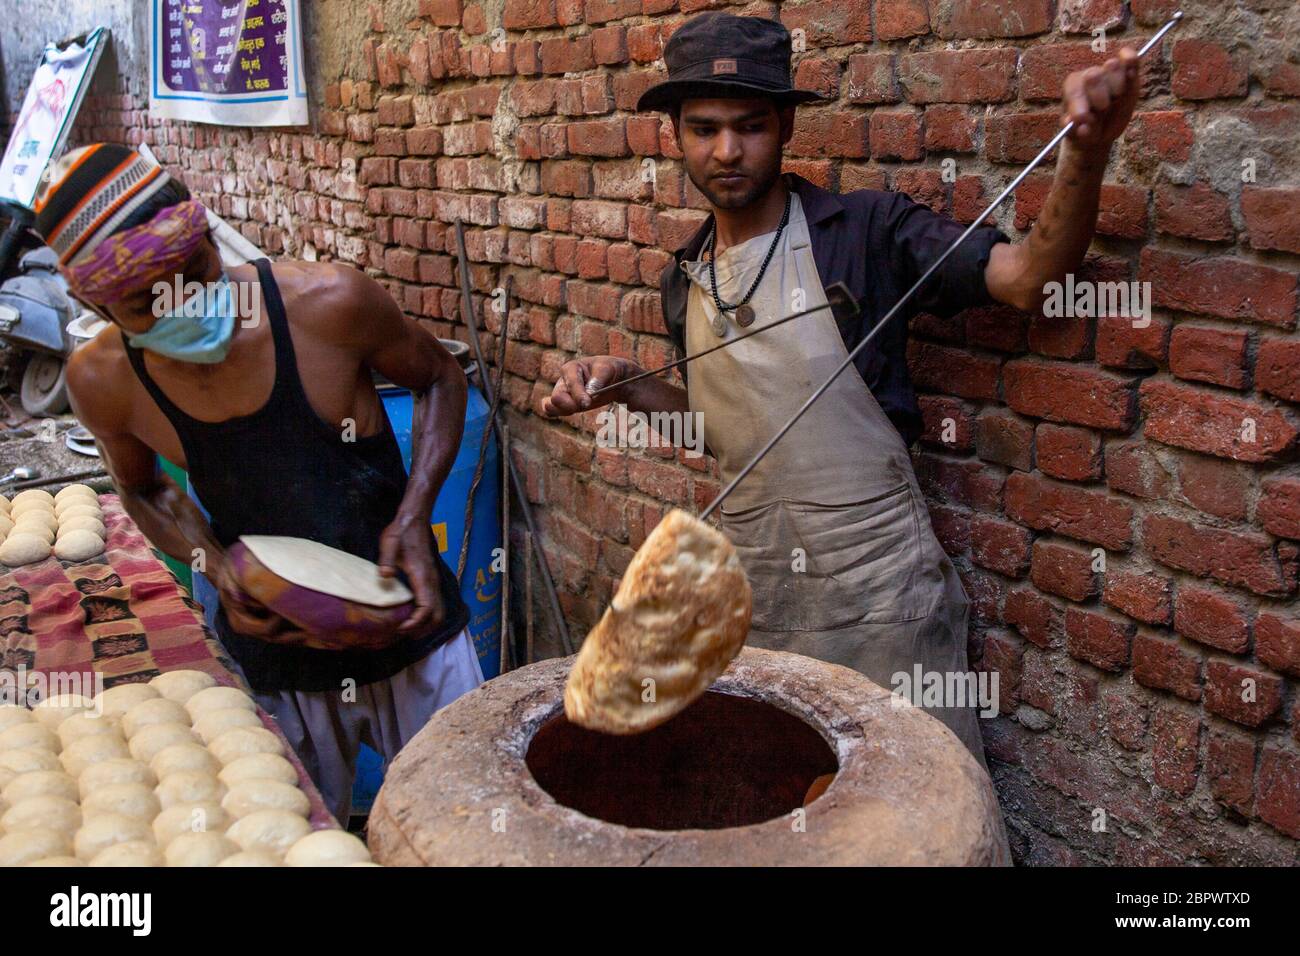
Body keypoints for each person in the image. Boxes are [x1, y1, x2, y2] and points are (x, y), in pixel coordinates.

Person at [543, 13, 1140, 794]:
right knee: (787, 816)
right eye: (705, 129)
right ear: (675, 135)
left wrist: (1086, 151)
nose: (727, 152)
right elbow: (723, 427)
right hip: (754, 607)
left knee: (918, 812)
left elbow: (1028, 279)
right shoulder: (682, 277)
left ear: (786, 123)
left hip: (879, 602)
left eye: (751, 127)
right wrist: (626, 382)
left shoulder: (863, 233)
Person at [34, 144, 483, 822]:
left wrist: (415, 515)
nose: (186, 302)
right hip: (277, 650)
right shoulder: (103, 383)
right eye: (147, 303)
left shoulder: (329, 305)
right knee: (293, 835)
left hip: (412, 623)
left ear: (208, 234)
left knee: (468, 820)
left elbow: (442, 379)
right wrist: (213, 565)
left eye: (197, 270)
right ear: (89, 300)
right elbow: (146, 490)